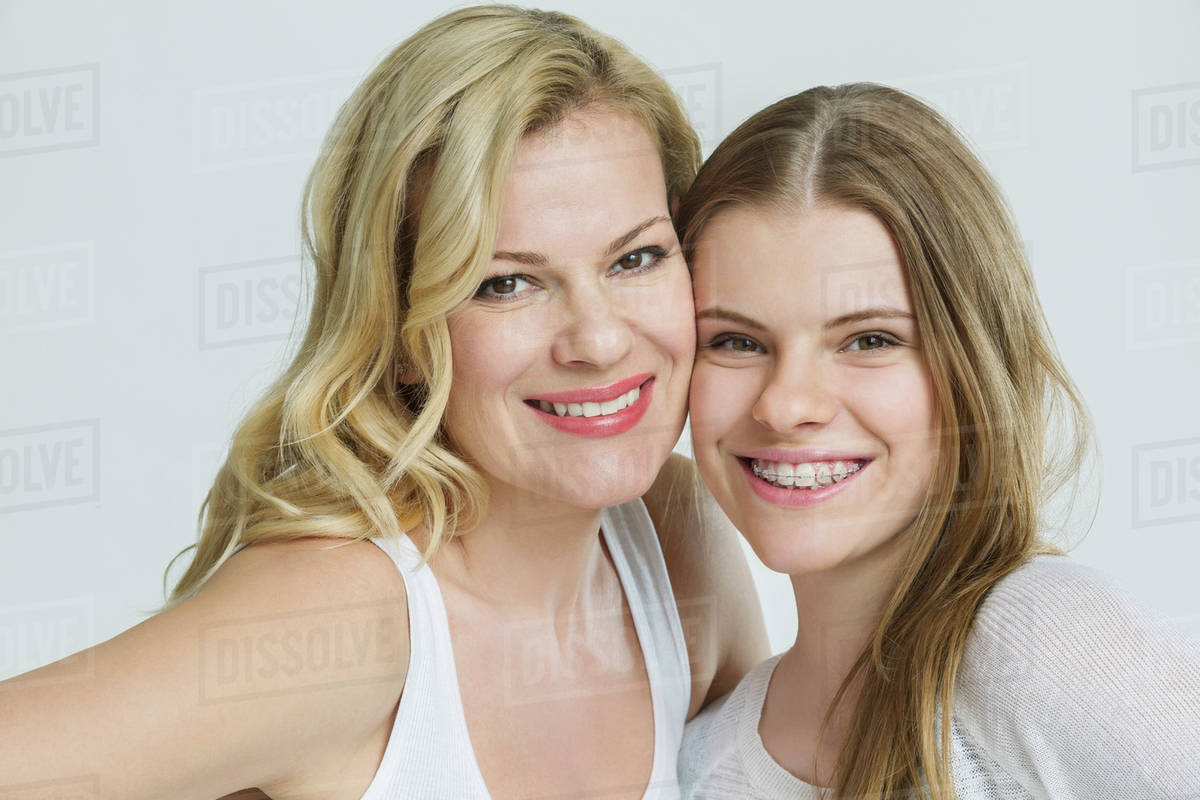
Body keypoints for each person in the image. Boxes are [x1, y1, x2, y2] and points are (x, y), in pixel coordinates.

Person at [0, 7, 768, 799]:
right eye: (505, 283)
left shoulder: (676, 536)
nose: (599, 341)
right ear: (400, 329)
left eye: (636, 257)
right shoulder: (341, 618)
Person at [674, 83, 1200, 799]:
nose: (787, 404)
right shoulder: (701, 762)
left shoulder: (1043, 645)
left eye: (868, 339)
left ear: (971, 365)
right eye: (736, 340)